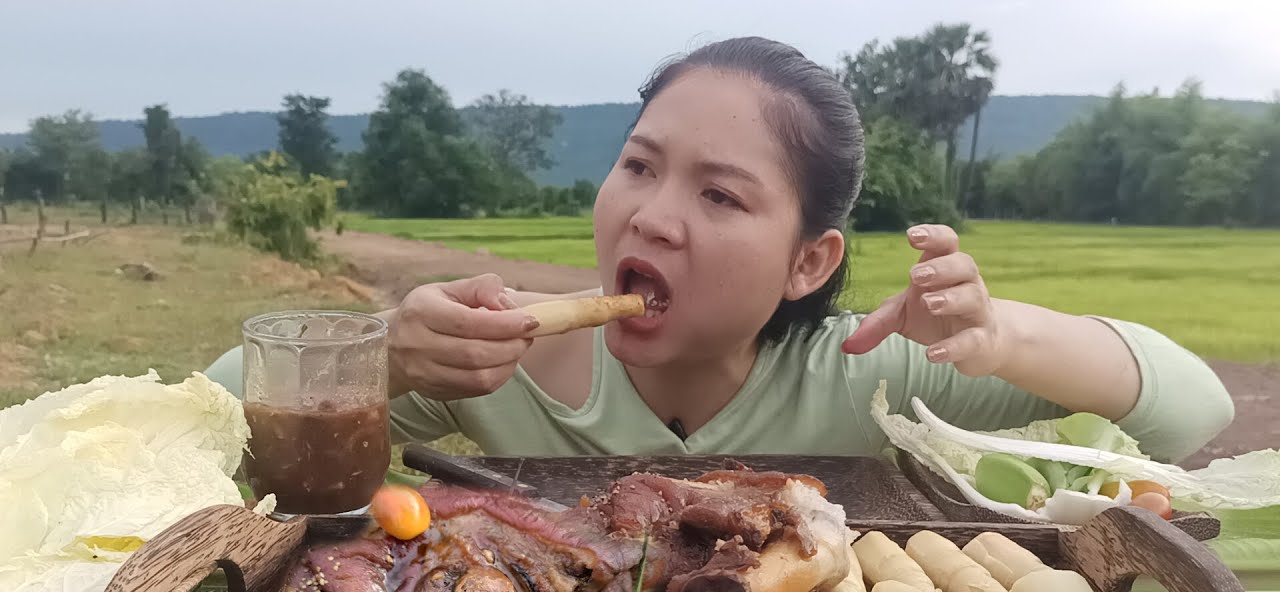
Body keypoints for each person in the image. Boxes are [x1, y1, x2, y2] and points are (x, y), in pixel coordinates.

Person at [204, 36, 1233, 465]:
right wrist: (377, 355)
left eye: (720, 194)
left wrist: (999, 333)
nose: (652, 215)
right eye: (639, 167)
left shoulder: (864, 368)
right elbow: (203, 424)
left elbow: (1193, 412)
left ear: (807, 263)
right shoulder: (484, 351)